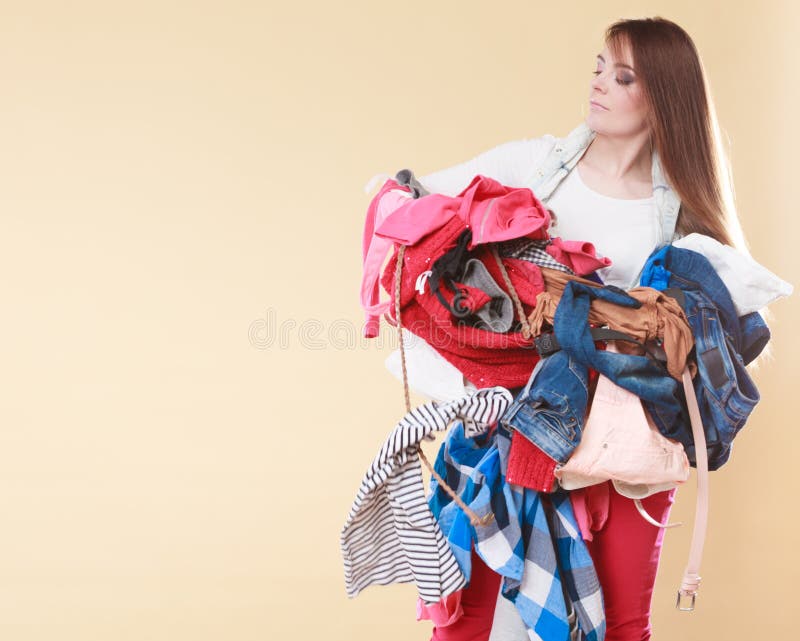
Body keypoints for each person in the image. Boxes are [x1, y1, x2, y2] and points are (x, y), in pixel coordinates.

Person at [411, 16, 748, 641]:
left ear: (663, 98)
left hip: (627, 445)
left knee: (622, 626)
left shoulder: (681, 218)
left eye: (622, 77)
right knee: (466, 620)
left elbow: (736, 335)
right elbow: (412, 202)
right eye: (599, 67)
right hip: (509, 426)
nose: (598, 83)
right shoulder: (535, 163)